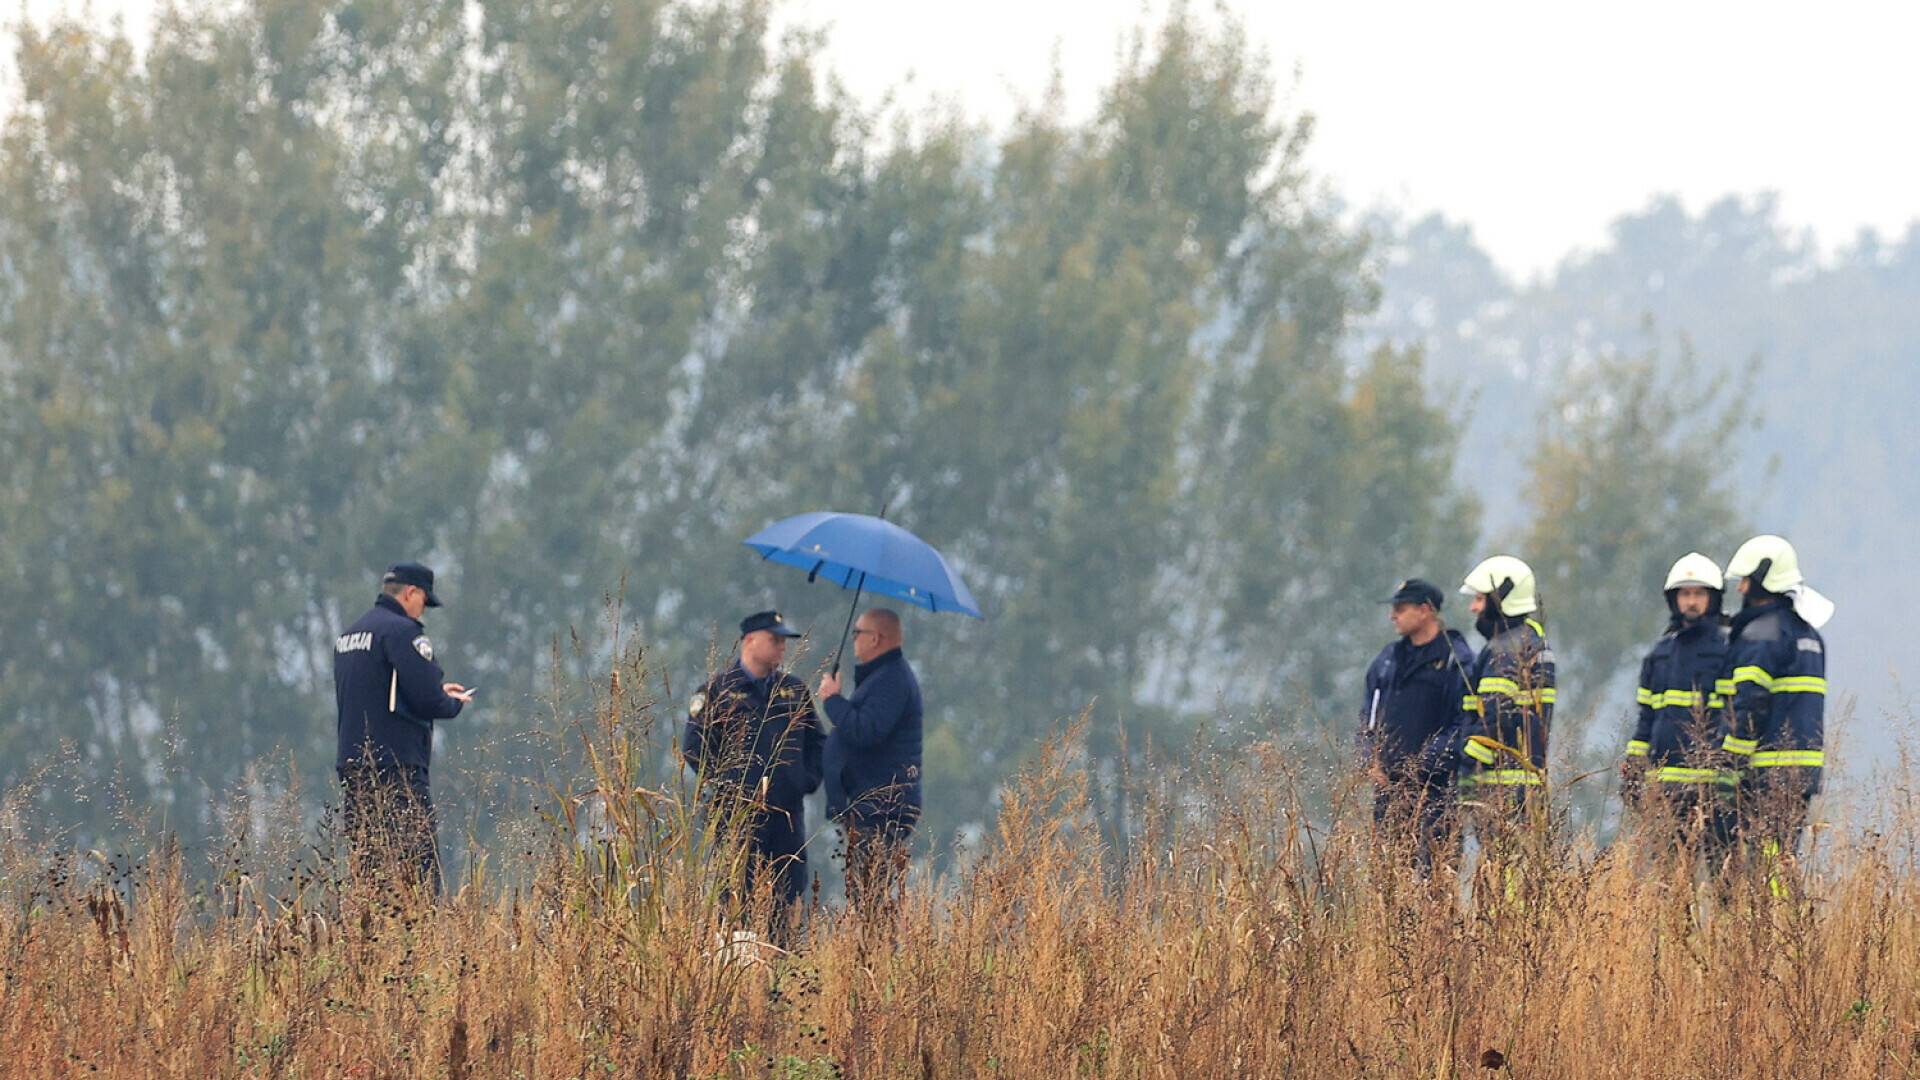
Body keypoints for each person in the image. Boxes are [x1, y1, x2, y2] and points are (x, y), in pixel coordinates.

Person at [333, 562, 473, 894]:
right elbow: (428, 700)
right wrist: (451, 702)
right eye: (424, 602)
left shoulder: (349, 636)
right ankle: (415, 942)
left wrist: (434, 692)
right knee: (417, 872)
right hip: (398, 771)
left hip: (355, 770)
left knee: (368, 872)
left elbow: (381, 692)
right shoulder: (402, 631)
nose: (422, 611)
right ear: (411, 593)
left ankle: (371, 942)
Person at [681, 610, 825, 917]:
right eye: (774, 640)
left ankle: (782, 962)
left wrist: (804, 780)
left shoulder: (795, 690)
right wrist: (730, 783)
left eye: (784, 641)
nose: (782, 647)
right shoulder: (716, 691)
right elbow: (696, 748)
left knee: (787, 902)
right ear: (750, 640)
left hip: (786, 817)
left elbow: (818, 742)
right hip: (737, 817)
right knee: (736, 901)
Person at [1714, 535, 1831, 882]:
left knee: (1756, 869)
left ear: (1764, 579)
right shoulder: (1808, 634)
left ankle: (1760, 930)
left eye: (1746, 580)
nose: (1741, 589)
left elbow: (1748, 706)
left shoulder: (1762, 635)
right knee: (1782, 861)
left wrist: (1728, 767)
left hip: (1766, 775)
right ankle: (1787, 927)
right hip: (1801, 773)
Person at [1357, 578, 1475, 874]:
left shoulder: (1456, 660)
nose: (1392, 616)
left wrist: (1422, 765)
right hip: (1389, 793)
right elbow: (1368, 718)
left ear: (1425, 611)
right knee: (1388, 879)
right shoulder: (1387, 661)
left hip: (1437, 793)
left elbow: (1465, 723)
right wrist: (1369, 759)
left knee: (1437, 878)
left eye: (1400, 608)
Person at [1622, 553, 1735, 859]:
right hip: (1665, 792)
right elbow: (1646, 718)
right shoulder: (1659, 654)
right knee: (1667, 886)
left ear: (1714, 599)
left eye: (1699, 593)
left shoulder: (1729, 649)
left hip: (1714, 792)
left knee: (1724, 880)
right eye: (1685, 594)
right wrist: (1634, 765)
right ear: (1674, 600)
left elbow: (1734, 715)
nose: (1692, 602)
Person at [817, 607, 922, 911]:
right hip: (868, 807)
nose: (853, 641)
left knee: (868, 898)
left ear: (874, 638)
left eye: (856, 634)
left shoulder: (892, 679)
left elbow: (866, 731)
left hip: (880, 809)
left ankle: (872, 957)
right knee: (864, 894)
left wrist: (833, 700)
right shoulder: (883, 677)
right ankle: (869, 954)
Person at [1454, 556, 1556, 821]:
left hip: (1502, 788)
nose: (1473, 608)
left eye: (1479, 599)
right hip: (1525, 785)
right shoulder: (1530, 641)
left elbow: (1493, 719)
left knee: (1500, 860)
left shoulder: (1506, 649)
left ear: (1501, 599)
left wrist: (1465, 766)